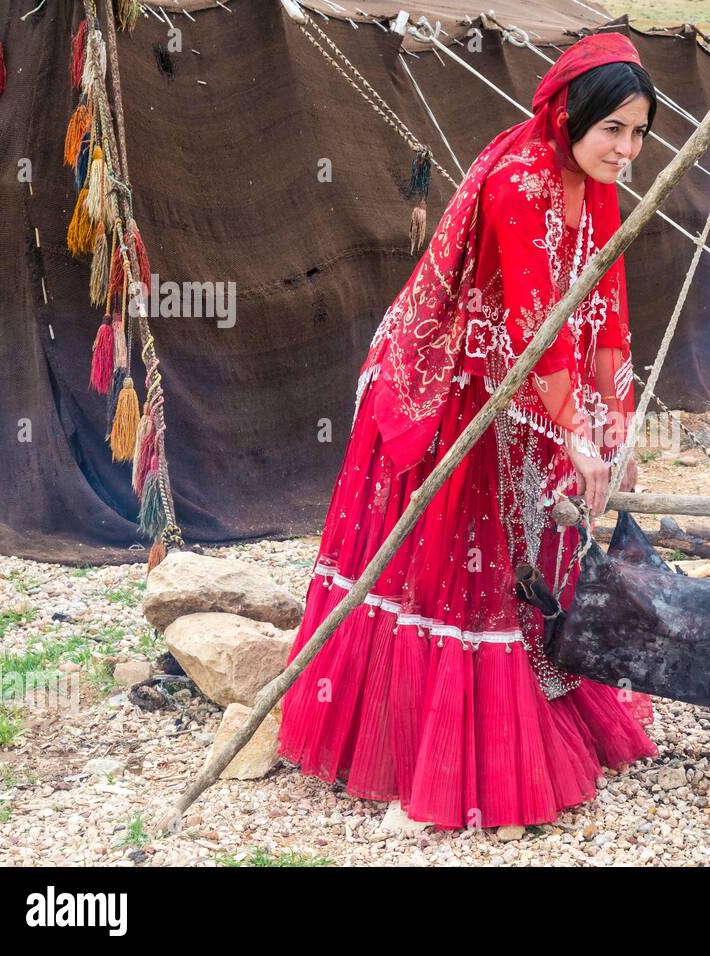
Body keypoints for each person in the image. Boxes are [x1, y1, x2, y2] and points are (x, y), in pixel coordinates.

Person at [276, 33, 659, 831]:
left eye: (638, 132)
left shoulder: (599, 181)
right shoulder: (520, 184)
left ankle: (533, 693)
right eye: (612, 131)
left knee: (531, 535)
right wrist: (577, 435)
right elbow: (533, 324)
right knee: (457, 560)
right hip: (454, 381)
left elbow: (605, 309)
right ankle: (428, 746)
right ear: (568, 119)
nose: (626, 150)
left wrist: (614, 423)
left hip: (526, 382)